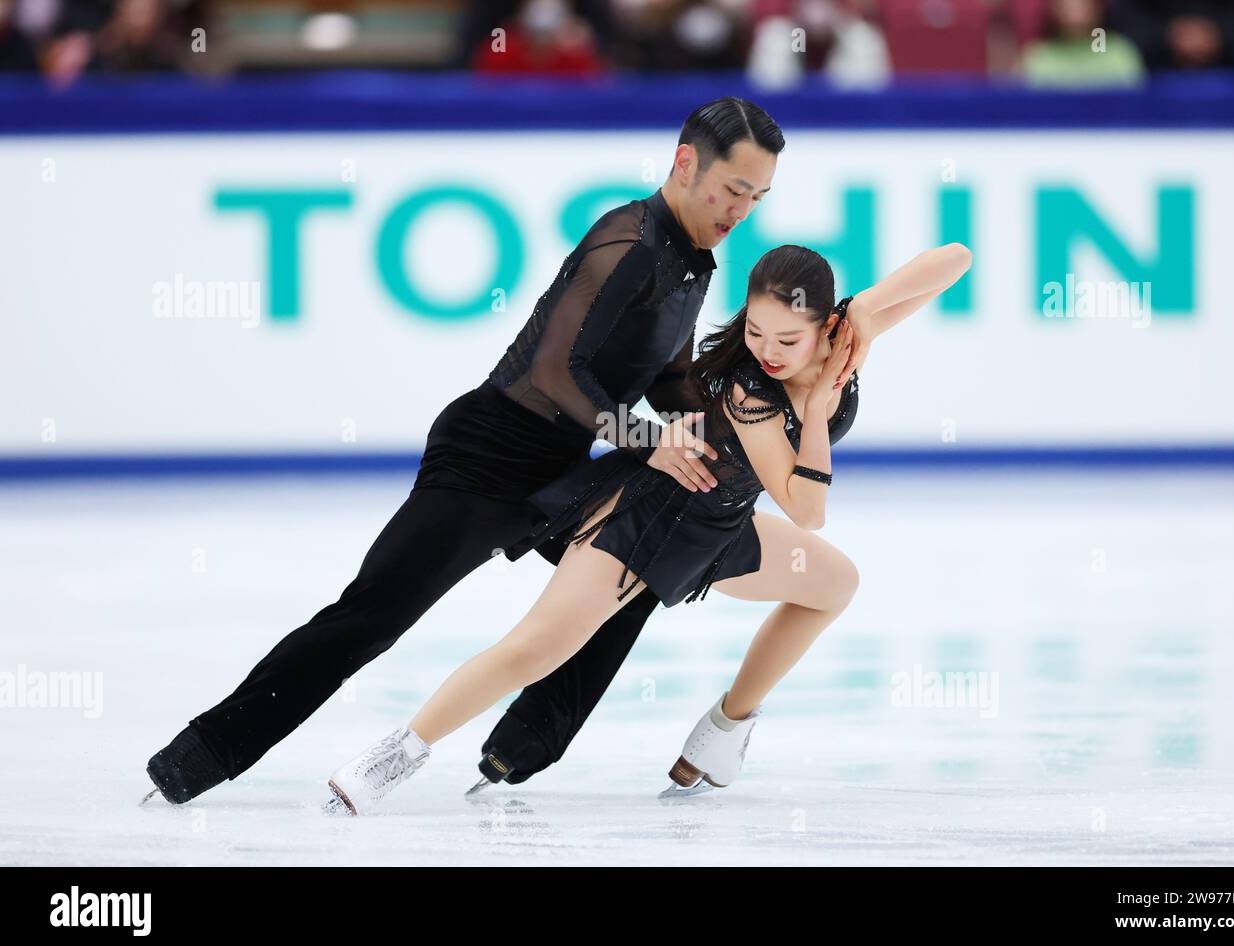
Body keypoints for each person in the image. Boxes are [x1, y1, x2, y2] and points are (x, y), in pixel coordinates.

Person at [144, 97, 872, 806]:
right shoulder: (628, 241)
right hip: (488, 455)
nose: (740, 210)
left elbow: (670, 378)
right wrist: (653, 440)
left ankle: (516, 749)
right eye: (733, 189)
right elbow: (556, 374)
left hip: (568, 461)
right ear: (686, 164)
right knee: (375, 613)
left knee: (643, 563)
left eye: (757, 196)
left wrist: (734, 429)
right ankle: (203, 754)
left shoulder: (694, 263)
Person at [324, 240, 973, 814]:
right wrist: (818, 399)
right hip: (650, 517)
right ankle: (395, 755)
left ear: (825, 323)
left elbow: (954, 260)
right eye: (756, 333)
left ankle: (721, 732)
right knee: (538, 648)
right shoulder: (752, 392)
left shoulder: (842, 335)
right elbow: (806, 509)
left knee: (833, 584)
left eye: (788, 340)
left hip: (717, 527)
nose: (768, 353)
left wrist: (864, 314)